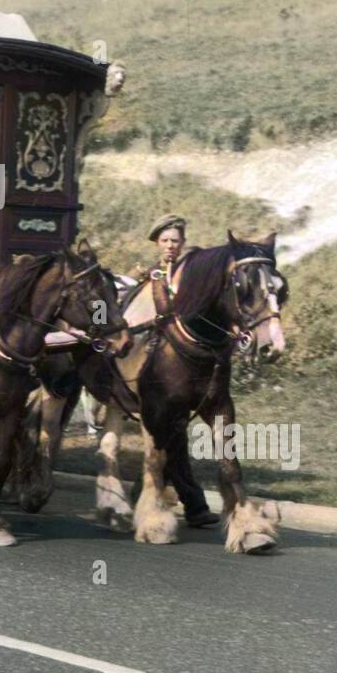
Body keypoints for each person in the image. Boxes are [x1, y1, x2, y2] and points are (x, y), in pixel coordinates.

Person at [142, 212, 218, 529]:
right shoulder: (158, 274)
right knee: (170, 435)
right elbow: (163, 310)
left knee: (170, 436)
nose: (171, 246)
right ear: (157, 244)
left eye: (175, 240)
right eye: (165, 241)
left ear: (183, 243)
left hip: (190, 355)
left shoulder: (191, 270)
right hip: (162, 352)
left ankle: (188, 503)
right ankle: (194, 505)